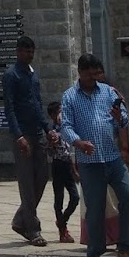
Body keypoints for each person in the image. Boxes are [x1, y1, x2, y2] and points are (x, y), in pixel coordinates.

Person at [60, 55, 129, 257]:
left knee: (128, 197)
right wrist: (78, 143)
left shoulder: (107, 92)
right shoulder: (70, 97)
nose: (95, 78)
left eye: (97, 74)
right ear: (80, 72)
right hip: (90, 163)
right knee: (95, 211)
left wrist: (120, 118)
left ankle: (125, 251)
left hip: (113, 158)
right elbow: (65, 125)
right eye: (90, 74)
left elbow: (123, 120)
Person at [2, 34, 51, 247]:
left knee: (42, 177)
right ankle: (33, 229)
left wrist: (48, 129)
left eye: (32, 51)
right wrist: (18, 135)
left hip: (37, 134)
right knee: (27, 183)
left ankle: (22, 218)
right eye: (25, 51)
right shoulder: (11, 75)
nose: (29, 55)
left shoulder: (33, 75)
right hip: (22, 136)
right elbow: (9, 108)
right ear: (18, 51)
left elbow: (38, 105)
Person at [47, 101, 79, 244]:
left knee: (75, 197)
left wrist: (75, 169)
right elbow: (48, 151)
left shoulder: (66, 128)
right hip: (57, 165)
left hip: (67, 165)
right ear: (53, 115)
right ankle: (63, 231)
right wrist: (50, 145)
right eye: (58, 112)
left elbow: (69, 150)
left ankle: (62, 221)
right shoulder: (50, 131)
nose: (61, 114)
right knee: (58, 199)